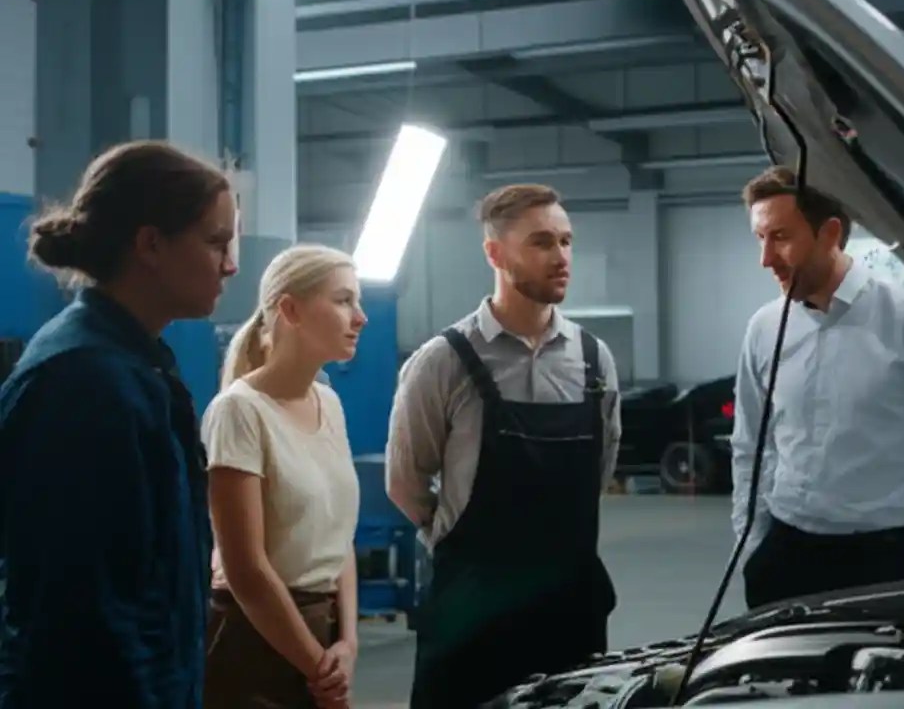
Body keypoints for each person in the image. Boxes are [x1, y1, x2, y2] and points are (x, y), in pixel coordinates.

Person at [0, 140, 238, 707]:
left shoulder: (135, 362)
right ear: (151, 244)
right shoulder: (86, 382)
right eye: (215, 243)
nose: (230, 264)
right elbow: (90, 615)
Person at [386, 183, 621, 708]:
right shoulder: (443, 362)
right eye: (541, 243)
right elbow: (406, 482)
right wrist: (460, 546)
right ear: (494, 252)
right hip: (471, 618)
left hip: (569, 612)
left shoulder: (592, 360)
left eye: (566, 241)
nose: (561, 257)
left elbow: (600, 471)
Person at [732, 166, 904, 610]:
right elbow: (751, 447)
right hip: (783, 555)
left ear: (830, 233)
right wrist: (751, 544)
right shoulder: (764, 327)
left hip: (883, 560)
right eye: (759, 238)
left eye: (780, 236)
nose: (766, 258)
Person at [200, 244, 367, 709]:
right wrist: (318, 667)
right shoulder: (239, 411)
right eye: (343, 300)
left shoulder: (329, 403)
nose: (361, 317)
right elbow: (246, 570)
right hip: (256, 639)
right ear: (290, 309)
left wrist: (348, 644)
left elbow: (338, 540)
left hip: (323, 633)